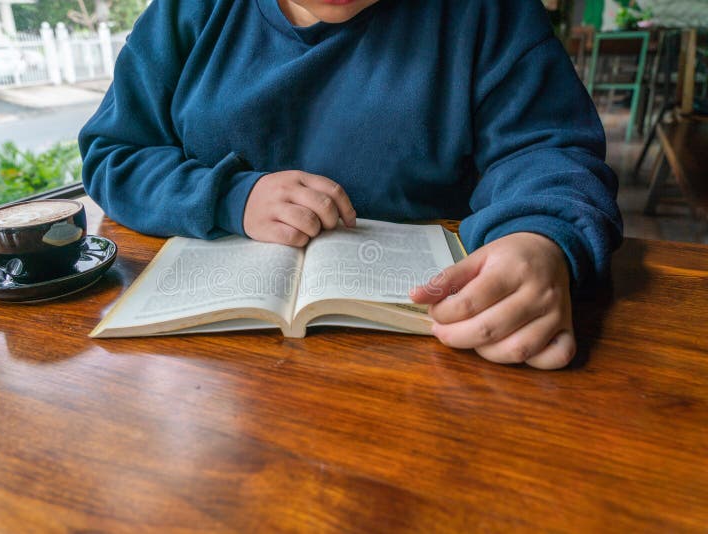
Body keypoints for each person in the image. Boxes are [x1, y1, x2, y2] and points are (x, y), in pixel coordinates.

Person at [79, 0, 623, 369]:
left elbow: (547, 151)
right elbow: (115, 153)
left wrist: (540, 236)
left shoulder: (488, 14)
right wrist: (228, 197)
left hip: (433, 354)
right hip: (200, 364)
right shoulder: (187, 11)